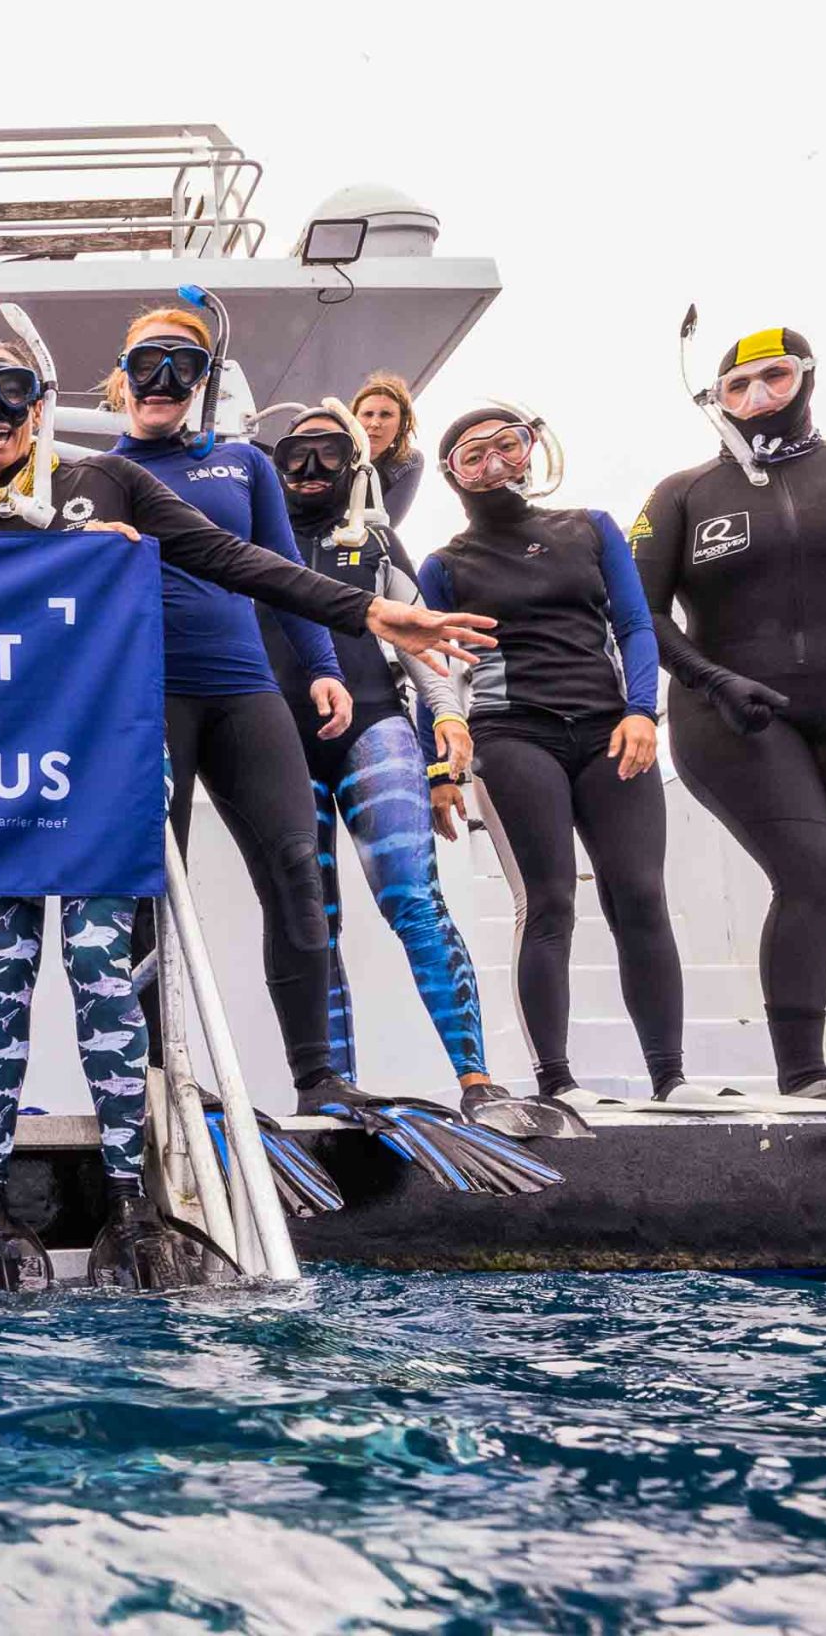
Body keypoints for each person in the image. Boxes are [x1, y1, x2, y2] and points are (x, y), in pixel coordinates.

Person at [0, 336, 496, 1289]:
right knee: (2, 972)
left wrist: (375, 617)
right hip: (6, 793)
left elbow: (237, 559)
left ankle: (133, 1204)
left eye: (9, 390)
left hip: (99, 778)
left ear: (43, 403)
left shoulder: (113, 485)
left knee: (104, 966)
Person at [633, 327, 826, 1099]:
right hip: (736, 711)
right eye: (735, 389)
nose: (754, 399)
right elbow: (638, 611)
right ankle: (805, 1074)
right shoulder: (680, 493)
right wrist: (711, 680)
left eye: (773, 379)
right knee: (810, 869)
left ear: (807, 378)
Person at [103, 307, 354, 1118]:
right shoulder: (99, 474)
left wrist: (320, 666)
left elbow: (280, 570)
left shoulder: (246, 464)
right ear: (122, 377)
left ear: (204, 381)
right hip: (151, 698)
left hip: (247, 688)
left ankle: (318, 1076)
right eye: (148, 364)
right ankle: (159, 1076)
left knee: (294, 864)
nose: (163, 384)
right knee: (152, 888)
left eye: (183, 364)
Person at [415, 402, 686, 1104]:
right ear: (453, 477)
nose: (492, 464)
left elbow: (633, 623)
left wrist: (641, 710)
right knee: (548, 901)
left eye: (504, 445)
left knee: (641, 894)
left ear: (531, 449)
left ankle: (671, 1075)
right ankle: (556, 1083)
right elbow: (433, 668)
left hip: (609, 731)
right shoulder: (444, 564)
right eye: (471, 457)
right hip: (512, 734)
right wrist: (441, 767)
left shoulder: (590, 528)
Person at [262, 408, 497, 1113]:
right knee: (311, 915)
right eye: (295, 455)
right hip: (277, 734)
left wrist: (450, 716)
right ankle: (336, 1089)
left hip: (373, 722)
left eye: (328, 454)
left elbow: (419, 637)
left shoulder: (372, 538)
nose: (309, 470)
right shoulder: (247, 536)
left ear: (356, 463)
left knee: (412, 896)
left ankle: (477, 1080)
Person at [351, 372, 425, 529]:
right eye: (367, 414)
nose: (375, 423)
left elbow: (385, 528)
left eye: (386, 415)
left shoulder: (408, 462)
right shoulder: (331, 453)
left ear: (401, 425)